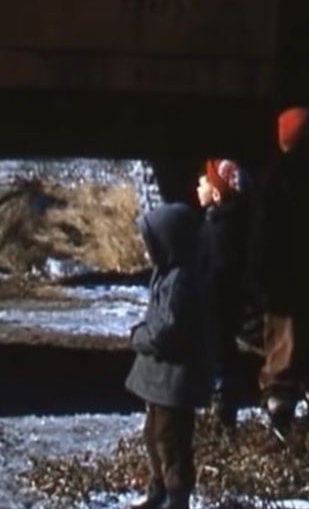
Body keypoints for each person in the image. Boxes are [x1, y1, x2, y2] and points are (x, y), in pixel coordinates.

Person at [251, 105, 309, 435]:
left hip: (283, 282)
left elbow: (263, 233)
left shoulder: (275, 178)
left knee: (283, 346)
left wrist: (259, 273)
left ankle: (280, 413)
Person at [125, 203, 210, 509]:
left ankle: (177, 498)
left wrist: (140, 337)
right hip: (161, 381)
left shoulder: (180, 282)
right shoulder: (167, 274)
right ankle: (158, 489)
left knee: (171, 442)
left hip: (174, 382)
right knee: (154, 436)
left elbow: (167, 331)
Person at [195, 157, 254, 427]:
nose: (198, 187)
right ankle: (222, 405)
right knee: (223, 353)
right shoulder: (233, 223)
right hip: (227, 303)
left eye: (203, 183)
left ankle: (221, 408)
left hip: (217, 304)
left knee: (219, 355)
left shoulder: (218, 227)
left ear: (217, 194)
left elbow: (215, 271)